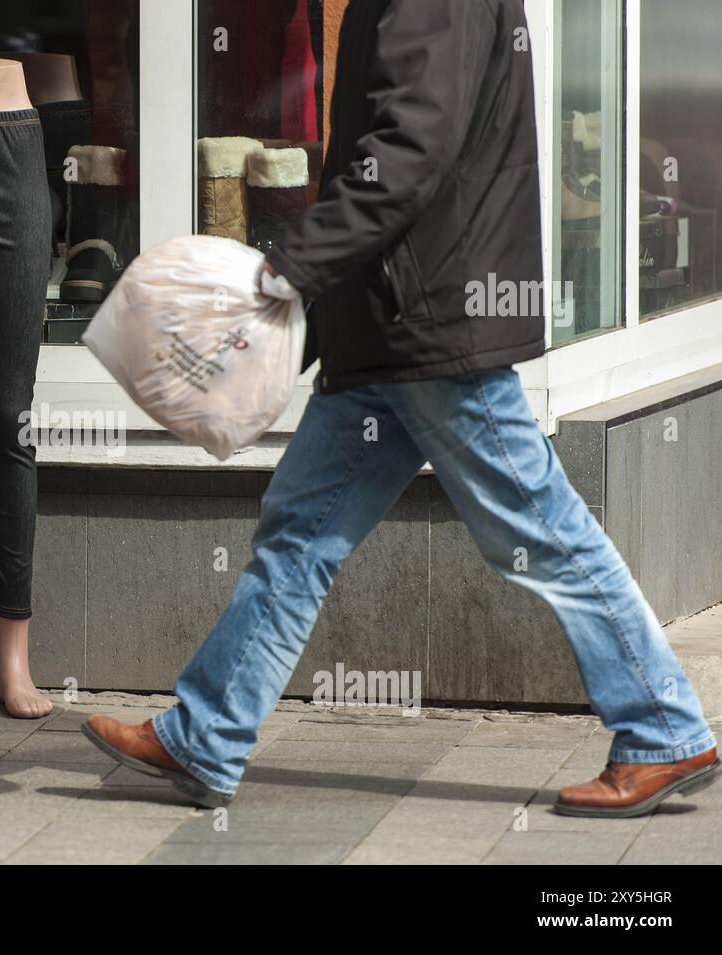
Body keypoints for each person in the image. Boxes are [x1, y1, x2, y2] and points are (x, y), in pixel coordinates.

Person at [82, 0, 718, 817]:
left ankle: (664, 725)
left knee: (540, 530)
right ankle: (207, 732)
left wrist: (293, 266)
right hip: (391, 325)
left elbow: (409, 152)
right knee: (299, 531)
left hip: (435, 327)